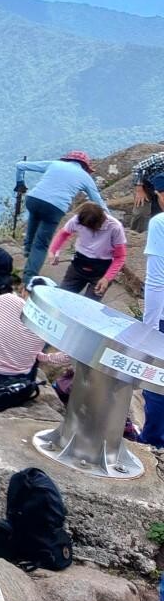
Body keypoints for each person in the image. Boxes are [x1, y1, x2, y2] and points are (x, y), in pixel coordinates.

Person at [16, 151, 103, 283]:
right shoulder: (85, 177)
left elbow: (20, 165)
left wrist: (20, 183)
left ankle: (28, 251)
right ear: (85, 167)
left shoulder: (54, 164)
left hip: (33, 199)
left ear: (67, 160)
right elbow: (98, 201)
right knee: (41, 245)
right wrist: (111, 220)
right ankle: (28, 279)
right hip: (55, 208)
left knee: (34, 218)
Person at [47, 201, 127, 299]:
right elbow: (63, 233)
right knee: (62, 297)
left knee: (90, 306)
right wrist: (53, 251)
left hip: (101, 269)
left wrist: (107, 278)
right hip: (79, 264)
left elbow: (120, 256)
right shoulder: (77, 220)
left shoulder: (115, 227)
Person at [138, 174, 164, 448]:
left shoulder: (160, 223)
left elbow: (157, 280)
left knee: (157, 381)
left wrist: (150, 328)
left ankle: (153, 440)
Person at [131, 150, 164, 226]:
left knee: (158, 214)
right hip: (145, 186)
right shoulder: (160, 158)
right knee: (141, 212)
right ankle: (136, 234)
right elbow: (137, 169)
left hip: (160, 187)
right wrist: (139, 190)